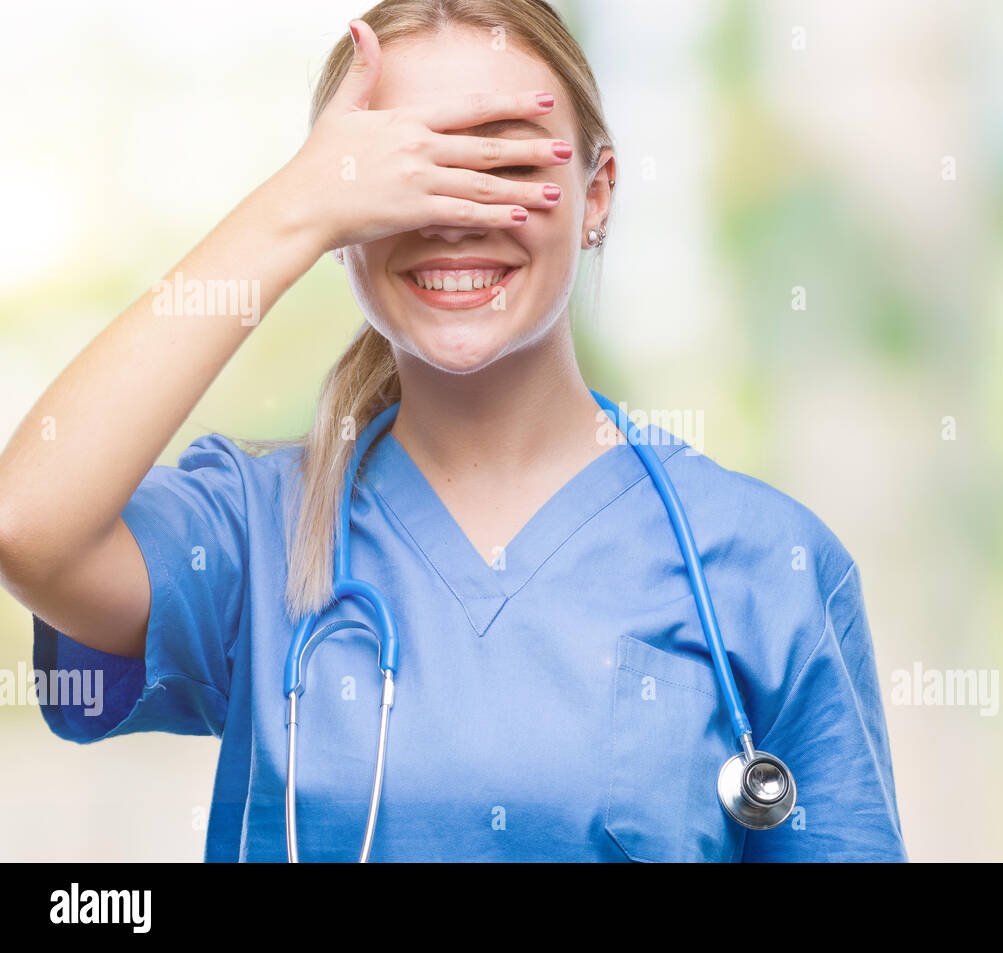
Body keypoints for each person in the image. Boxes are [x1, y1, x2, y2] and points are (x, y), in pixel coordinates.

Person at [0, 0, 906, 862]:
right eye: (401, 176)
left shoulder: (768, 565)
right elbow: (26, 523)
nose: (452, 217)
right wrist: (292, 209)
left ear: (597, 196)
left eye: (505, 168)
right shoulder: (249, 534)